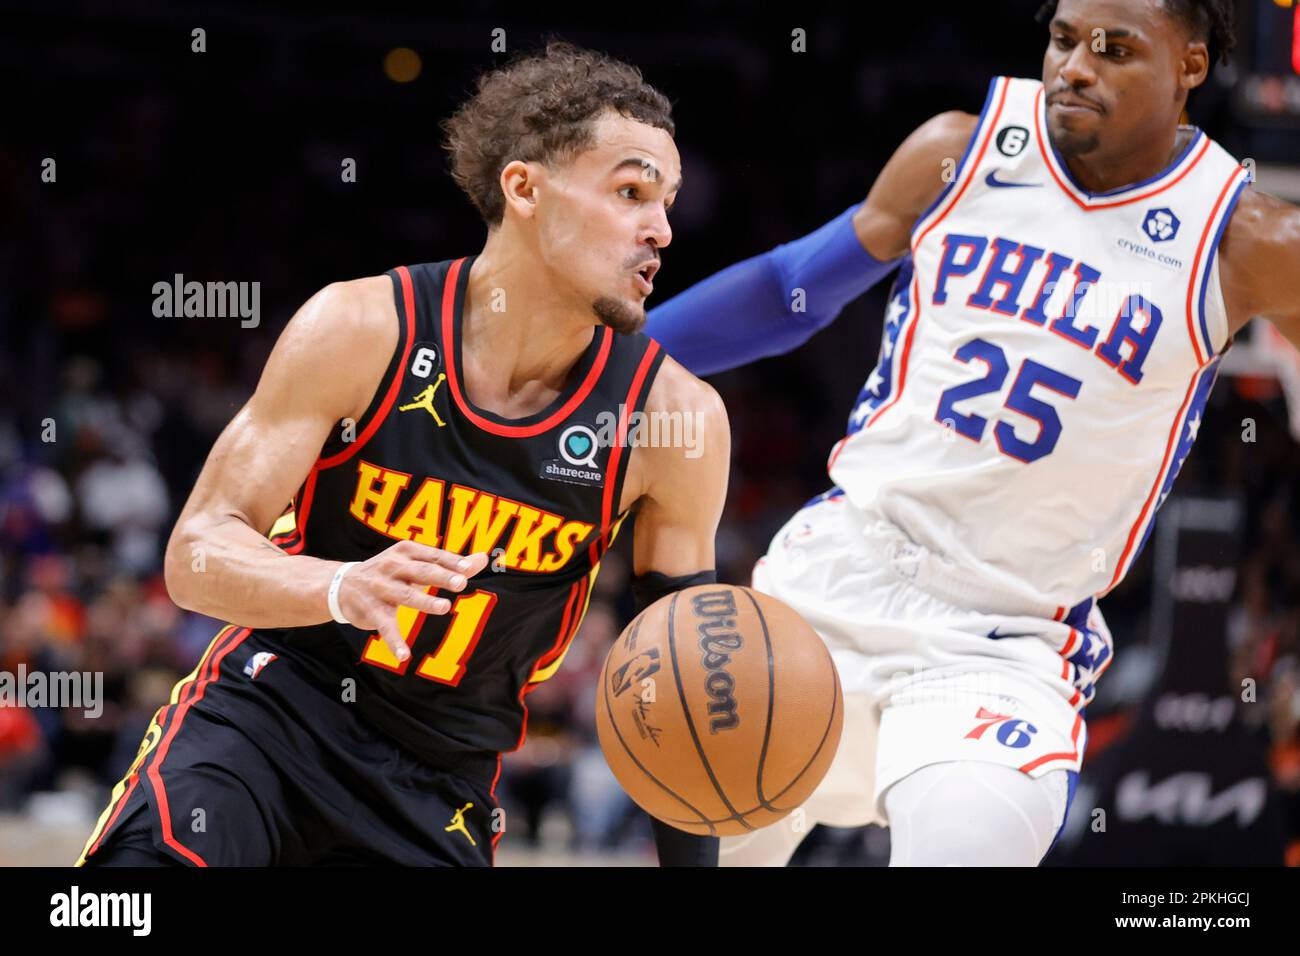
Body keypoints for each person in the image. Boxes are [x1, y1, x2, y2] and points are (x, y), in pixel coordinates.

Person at [646, 0, 1300, 865]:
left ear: (1190, 64)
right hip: (831, 587)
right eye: (1064, 40)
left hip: (1003, 643)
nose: (1074, 66)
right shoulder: (962, 149)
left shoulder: (1245, 238)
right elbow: (789, 291)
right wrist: (615, 360)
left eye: (1114, 49)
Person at [76, 41, 729, 867]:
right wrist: (341, 585)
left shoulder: (674, 420)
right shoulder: (361, 328)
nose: (661, 229)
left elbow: (676, 695)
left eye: (667, 201)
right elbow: (197, 553)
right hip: (267, 720)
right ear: (523, 187)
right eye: (632, 191)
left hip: (440, 786)